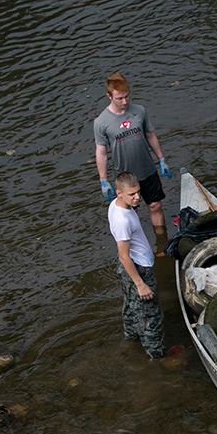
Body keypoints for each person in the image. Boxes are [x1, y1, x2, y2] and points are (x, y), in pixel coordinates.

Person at [94, 73, 171, 239]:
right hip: (125, 176)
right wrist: (103, 179)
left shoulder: (139, 111)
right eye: (119, 98)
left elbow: (150, 135)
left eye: (127, 96)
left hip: (147, 169)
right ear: (109, 96)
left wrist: (161, 159)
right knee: (130, 213)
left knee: (155, 206)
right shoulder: (101, 122)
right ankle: (134, 245)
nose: (124, 102)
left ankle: (161, 241)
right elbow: (101, 152)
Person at [108, 171, 165, 360]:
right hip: (137, 266)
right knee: (151, 315)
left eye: (138, 192)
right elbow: (124, 256)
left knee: (131, 305)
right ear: (119, 193)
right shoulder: (122, 220)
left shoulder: (116, 206)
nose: (137, 197)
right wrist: (141, 283)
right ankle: (157, 355)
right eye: (132, 194)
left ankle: (131, 337)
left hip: (131, 265)